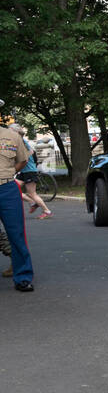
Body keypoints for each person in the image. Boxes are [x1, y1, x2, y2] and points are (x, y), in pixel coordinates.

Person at [0, 120, 34, 291]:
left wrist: (8, 173)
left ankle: (23, 277)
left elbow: (22, 160)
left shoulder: (12, 136)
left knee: (17, 234)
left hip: (6, 189)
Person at [13, 125, 52, 217]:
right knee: (13, 189)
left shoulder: (21, 142)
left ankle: (47, 211)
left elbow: (26, 156)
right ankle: (32, 202)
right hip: (23, 171)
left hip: (29, 171)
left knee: (32, 193)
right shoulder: (22, 142)